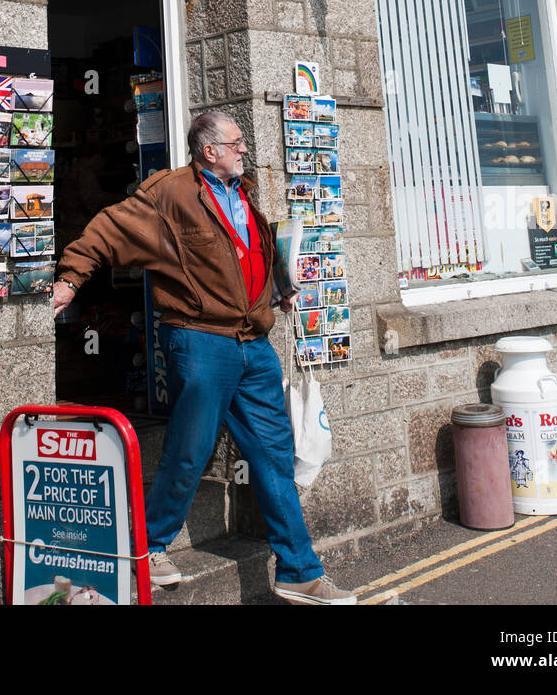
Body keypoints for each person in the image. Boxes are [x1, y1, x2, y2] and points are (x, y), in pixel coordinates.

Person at [53, 109, 356, 606]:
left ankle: (300, 570)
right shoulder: (169, 194)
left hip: (253, 344)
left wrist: (276, 286)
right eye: (236, 143)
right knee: (189, 451)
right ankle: (148, 550)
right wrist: (69, 280)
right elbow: (107, 230)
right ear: (209, 150)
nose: (244, 151)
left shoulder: (243, 192)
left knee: (275, 457)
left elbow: (248, 254)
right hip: (200, 341)